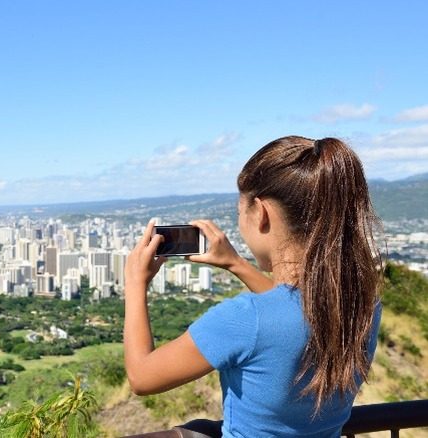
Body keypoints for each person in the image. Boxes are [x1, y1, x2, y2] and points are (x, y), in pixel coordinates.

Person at [124, 136, 383, 437]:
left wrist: (135, 283)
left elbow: (142, 377)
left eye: (239, 212)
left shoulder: (243, 319)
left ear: (260, 213)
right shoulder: (362, 305)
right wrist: (235, 263)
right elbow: (292, 310)